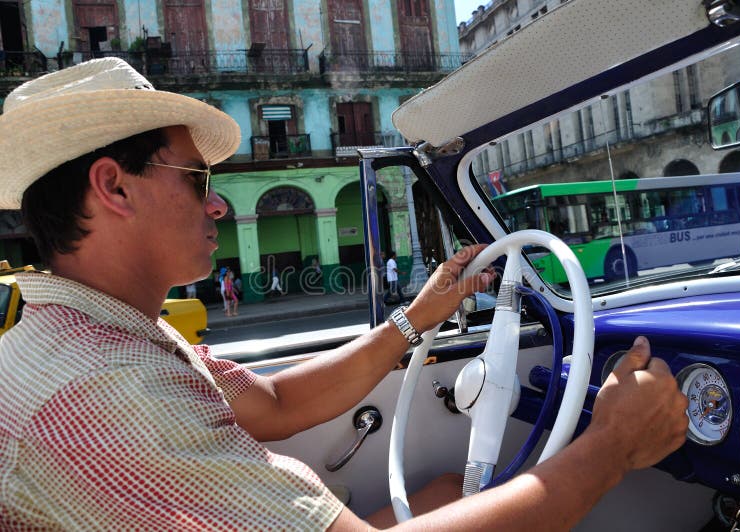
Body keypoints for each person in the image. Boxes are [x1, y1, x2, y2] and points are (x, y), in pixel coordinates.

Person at [0, 58, 688, 529]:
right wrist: (614, 443)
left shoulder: (98, 331)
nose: (216, 207)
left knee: (451, 491)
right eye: (197, 180)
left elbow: (275, 403)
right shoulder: (105, 393)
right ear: (114, 186)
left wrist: (417, 320)